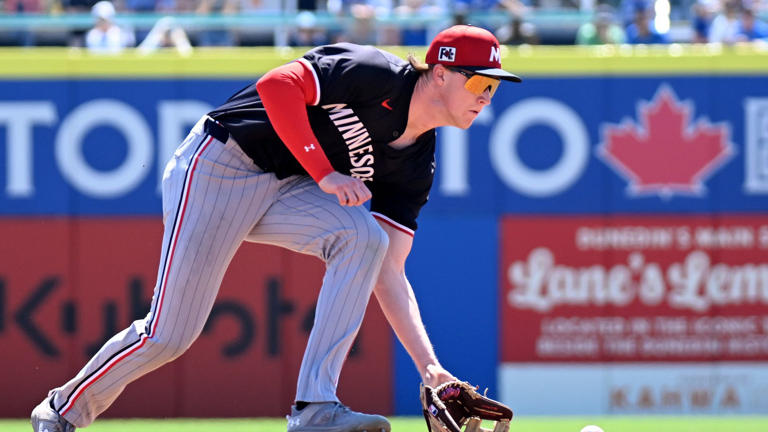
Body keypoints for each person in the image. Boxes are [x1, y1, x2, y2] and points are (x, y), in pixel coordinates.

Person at [30, 24, 521, 432]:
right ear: (439, 73)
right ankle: (60, 411)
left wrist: (430, 369)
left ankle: (314, 407)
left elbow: (387, 269)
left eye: (492, 88)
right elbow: (277, 86)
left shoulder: (417, 164)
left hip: (284, 185)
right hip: (221, 164)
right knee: (169, 334)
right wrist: (326, 173)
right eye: (479, 83)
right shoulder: (374, 73)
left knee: (364, 240)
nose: (486, 97)